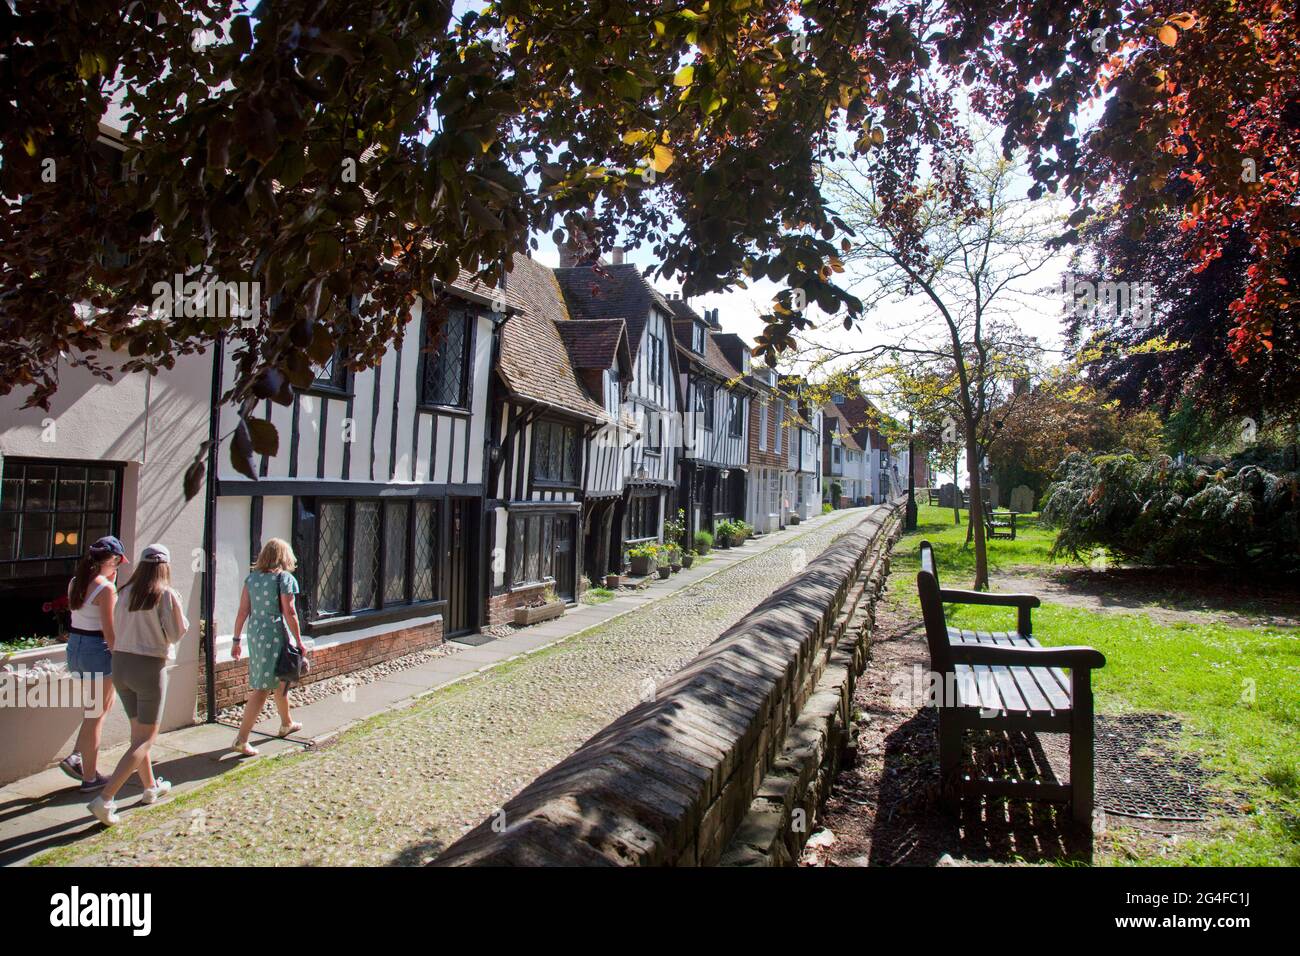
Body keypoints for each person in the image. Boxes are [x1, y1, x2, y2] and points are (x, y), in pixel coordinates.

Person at [87, 544, 189, 826]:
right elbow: (177, 633)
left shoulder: (124, 591)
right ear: (165, 566)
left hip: (120, 664)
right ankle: (105, 799)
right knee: (145, 739)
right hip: (148, 666)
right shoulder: (165, 594)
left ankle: (149, 787)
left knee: (137, 733)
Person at [59, 536, 128, 792]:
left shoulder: (76, 582)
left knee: (97, 709)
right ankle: (90, 777)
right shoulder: (106, 589)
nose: (118, 567)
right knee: (96, 715)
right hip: (97, 649)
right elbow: (109, 632)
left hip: (76, 647)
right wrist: (120, 657)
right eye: (118, 562)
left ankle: (77, 757)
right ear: (110, 560)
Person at [230, 538, 306, 756]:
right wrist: (299, 641)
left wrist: (236, 640)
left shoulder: (252, 579)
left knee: (281, 677)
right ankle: (241, 739)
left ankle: (286, 723)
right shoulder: (284, 579)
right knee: (262, 687)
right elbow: (290, 612)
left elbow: (242, 611)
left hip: (255, 633)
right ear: (285, 557)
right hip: (274, 633)